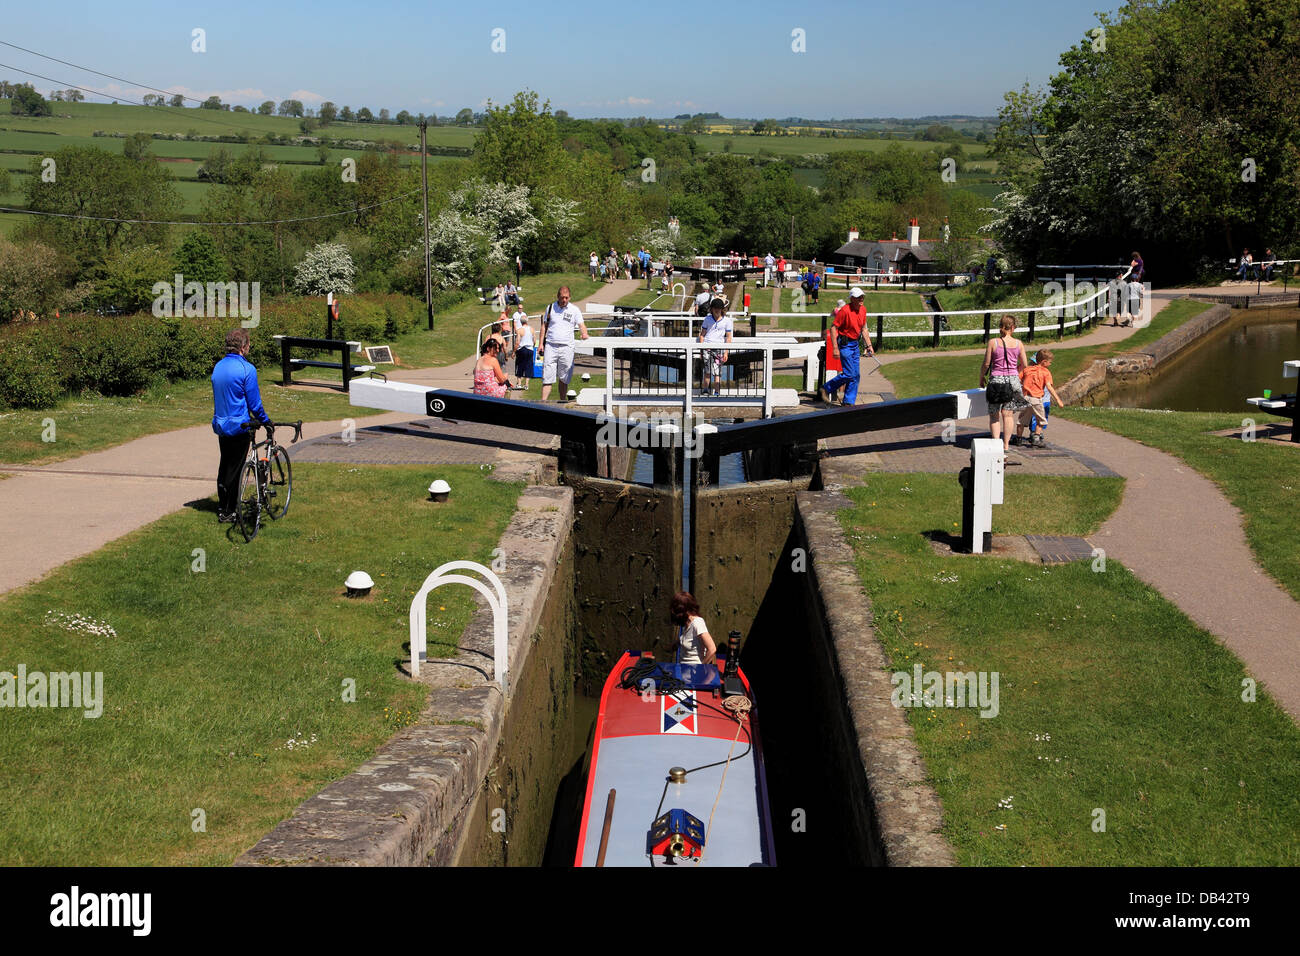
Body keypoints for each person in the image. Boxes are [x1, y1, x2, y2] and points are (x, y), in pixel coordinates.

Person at [211, 327, 272, 524]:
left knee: (225, 465)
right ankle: (229, 511)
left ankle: (223, 506)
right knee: (236, 468)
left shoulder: (218, 366)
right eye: (249, 345)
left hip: (221, 425)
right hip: (240, 425)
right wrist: (266, 421)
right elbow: (254, 404)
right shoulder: (247, 369)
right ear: (243, 347)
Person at [979, 315, 1029, 454]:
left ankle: (996, 444)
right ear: (1012, 327)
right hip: (1013, 381)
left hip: (996, 380)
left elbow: (987, 363)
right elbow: (1025, 364)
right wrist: (1015, 371)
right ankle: (1006, 446)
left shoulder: (993, 342)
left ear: (1001, 326)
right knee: (1008, 415)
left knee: (994, 415)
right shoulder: (1019, 344)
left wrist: (982, 377)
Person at [820, 287, 873, 407]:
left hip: (855, 344)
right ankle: (826, 388)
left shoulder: (863, 310)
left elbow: (864, 329)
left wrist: (869, 345)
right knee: (849, 374)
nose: (861, 299)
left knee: (856, 375)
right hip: (845, 344)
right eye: (859, 297)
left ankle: (848, 402)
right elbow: (834, 327)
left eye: (862, 296)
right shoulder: (845, 310)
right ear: (852, 298)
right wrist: (835, 348)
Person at [539, 285, 589, 401]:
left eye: (566, 298)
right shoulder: (550, 308)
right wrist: (541, 343)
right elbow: (544, 326)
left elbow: (582, 325)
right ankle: (542, 403)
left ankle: (562, 401)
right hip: (551, 345)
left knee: (564, 376)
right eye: (562, 297)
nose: (564, 300)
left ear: (570, 297)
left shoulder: (574, 310)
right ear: (558, 296)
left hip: (567, 347)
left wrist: (584, 334)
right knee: (547, 375)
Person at [1013, 349, 1065, 449]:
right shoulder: (1046, 372)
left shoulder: (1027, 369)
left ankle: (1018, 439)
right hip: (1037, 399)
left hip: (1026, 398)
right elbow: (1049, 387)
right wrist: (1058, 400)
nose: (1050, 364)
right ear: (1044, 362)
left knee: (1021, 421)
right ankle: (1036, 439)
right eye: (1050, 362)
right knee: (1041, 420)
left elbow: (1017, 380)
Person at [670, 591, 716, 668]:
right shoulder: (686, 624)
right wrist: (675, 644)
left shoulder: (697, 623)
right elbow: (689, 640)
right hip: (684, 672)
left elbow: (712, 649)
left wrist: (700, 668)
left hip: (693, 674)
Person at [697, 296, 733, 396]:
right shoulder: (707, 319)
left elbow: (728, 338)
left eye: (719, 308)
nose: (717, 310)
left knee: (717, 372)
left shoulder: (727, 321)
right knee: (707, 371)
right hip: (707, 347)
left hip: (719, 348)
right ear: (712, 309)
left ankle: (717, 392)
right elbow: (702, 334)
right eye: (715, 308)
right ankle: (705, 390)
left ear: (722, 309)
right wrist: (701, 350)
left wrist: (726, 352)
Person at [513, 312, 535, 382]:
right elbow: (534, 341)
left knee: (520, 365)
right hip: (530, 349)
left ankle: (519, 383)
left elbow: (517, 342)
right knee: (529, 366)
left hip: (522, 349)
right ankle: (526, 384)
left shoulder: (519, 330)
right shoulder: (532, 329)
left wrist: (514, 351)